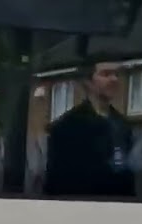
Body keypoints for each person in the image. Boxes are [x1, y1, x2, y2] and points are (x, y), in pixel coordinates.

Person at [43, 62, 136, 199]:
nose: (114, 79)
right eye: (106, 74)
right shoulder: (68, 126)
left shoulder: (122, 124)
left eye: (116, 74)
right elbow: (57, 180)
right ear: (88, 82)